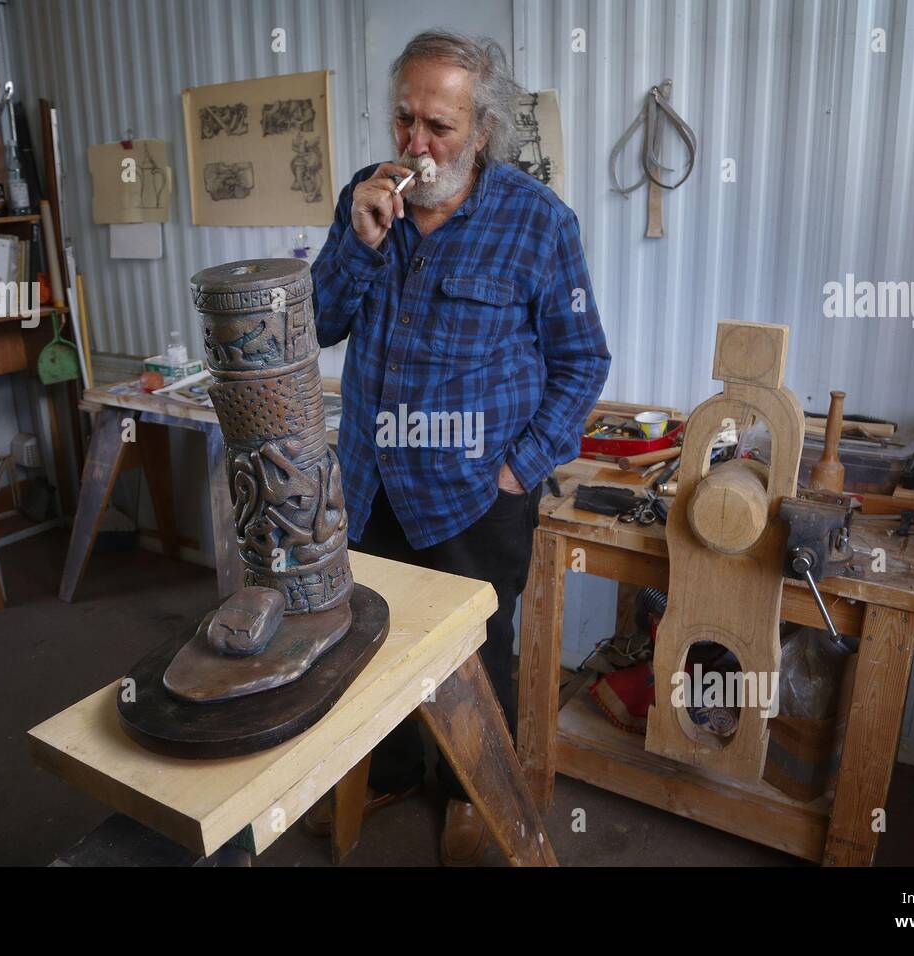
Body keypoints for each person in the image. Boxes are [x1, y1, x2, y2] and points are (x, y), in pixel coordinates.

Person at [308, 29, 611, 865]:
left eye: (438, 126)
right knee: (373, 642)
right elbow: (320, 323)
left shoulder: (539, 223)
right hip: (370, 484)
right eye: (404, 119)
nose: (414, 145)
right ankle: (402, 768)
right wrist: (358, 244)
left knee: (473, 662)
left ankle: (472, 792)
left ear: (482, 131)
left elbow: (584, 360)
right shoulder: (364, 200)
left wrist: (521, 467)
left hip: (476, 495)